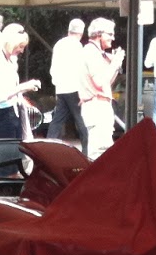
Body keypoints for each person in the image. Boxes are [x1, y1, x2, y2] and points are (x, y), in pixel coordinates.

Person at [0, 24, 40, 140]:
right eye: (20, 46)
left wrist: (26, 87)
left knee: (15, 154)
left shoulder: (11, 60)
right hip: (2, 114)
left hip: (12, 112)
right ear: (11, 43)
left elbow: (11, 89)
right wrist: (25, 86)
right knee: (8, 155)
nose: (22, 51)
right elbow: (0, 95)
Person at [79, 16, 123, 161]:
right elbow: (100, 82)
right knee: (100, 154)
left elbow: (107, 84)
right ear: (98, 34)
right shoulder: (91, 53)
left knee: (103, 152)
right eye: (110, 34)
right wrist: (115, 63)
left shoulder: (95, 53)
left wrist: (115, 66)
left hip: (99, 104)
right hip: (96, 106)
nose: (113, 37)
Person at [47, 18, 87, 148]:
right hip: (74, 88)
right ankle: (87, 149)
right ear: (81, 33)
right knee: (80, 119)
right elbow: (80, 69)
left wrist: (56, 84)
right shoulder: (77, 45)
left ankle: (48, 146)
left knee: (57, 120)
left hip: (60, 88)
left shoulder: (59, 44)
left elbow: (53, 68)